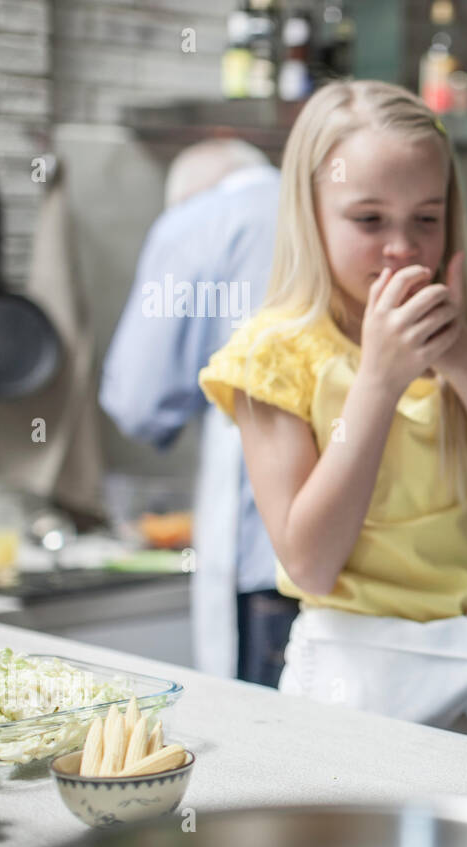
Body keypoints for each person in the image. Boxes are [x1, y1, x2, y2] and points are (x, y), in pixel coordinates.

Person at [199, 80, 467, 745]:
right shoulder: (273, 357)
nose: (401, 247)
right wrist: (378, 381)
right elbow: (313, 564)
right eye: (369, 220)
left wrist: (464, 358)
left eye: (426, 219)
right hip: (349, 695)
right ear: (310, 214)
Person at [100, 138, 299, 687]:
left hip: (260, 547)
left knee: (267, 749)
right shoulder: (323, 203)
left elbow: (139, 400)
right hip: (362, 557)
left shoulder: (197, 220)